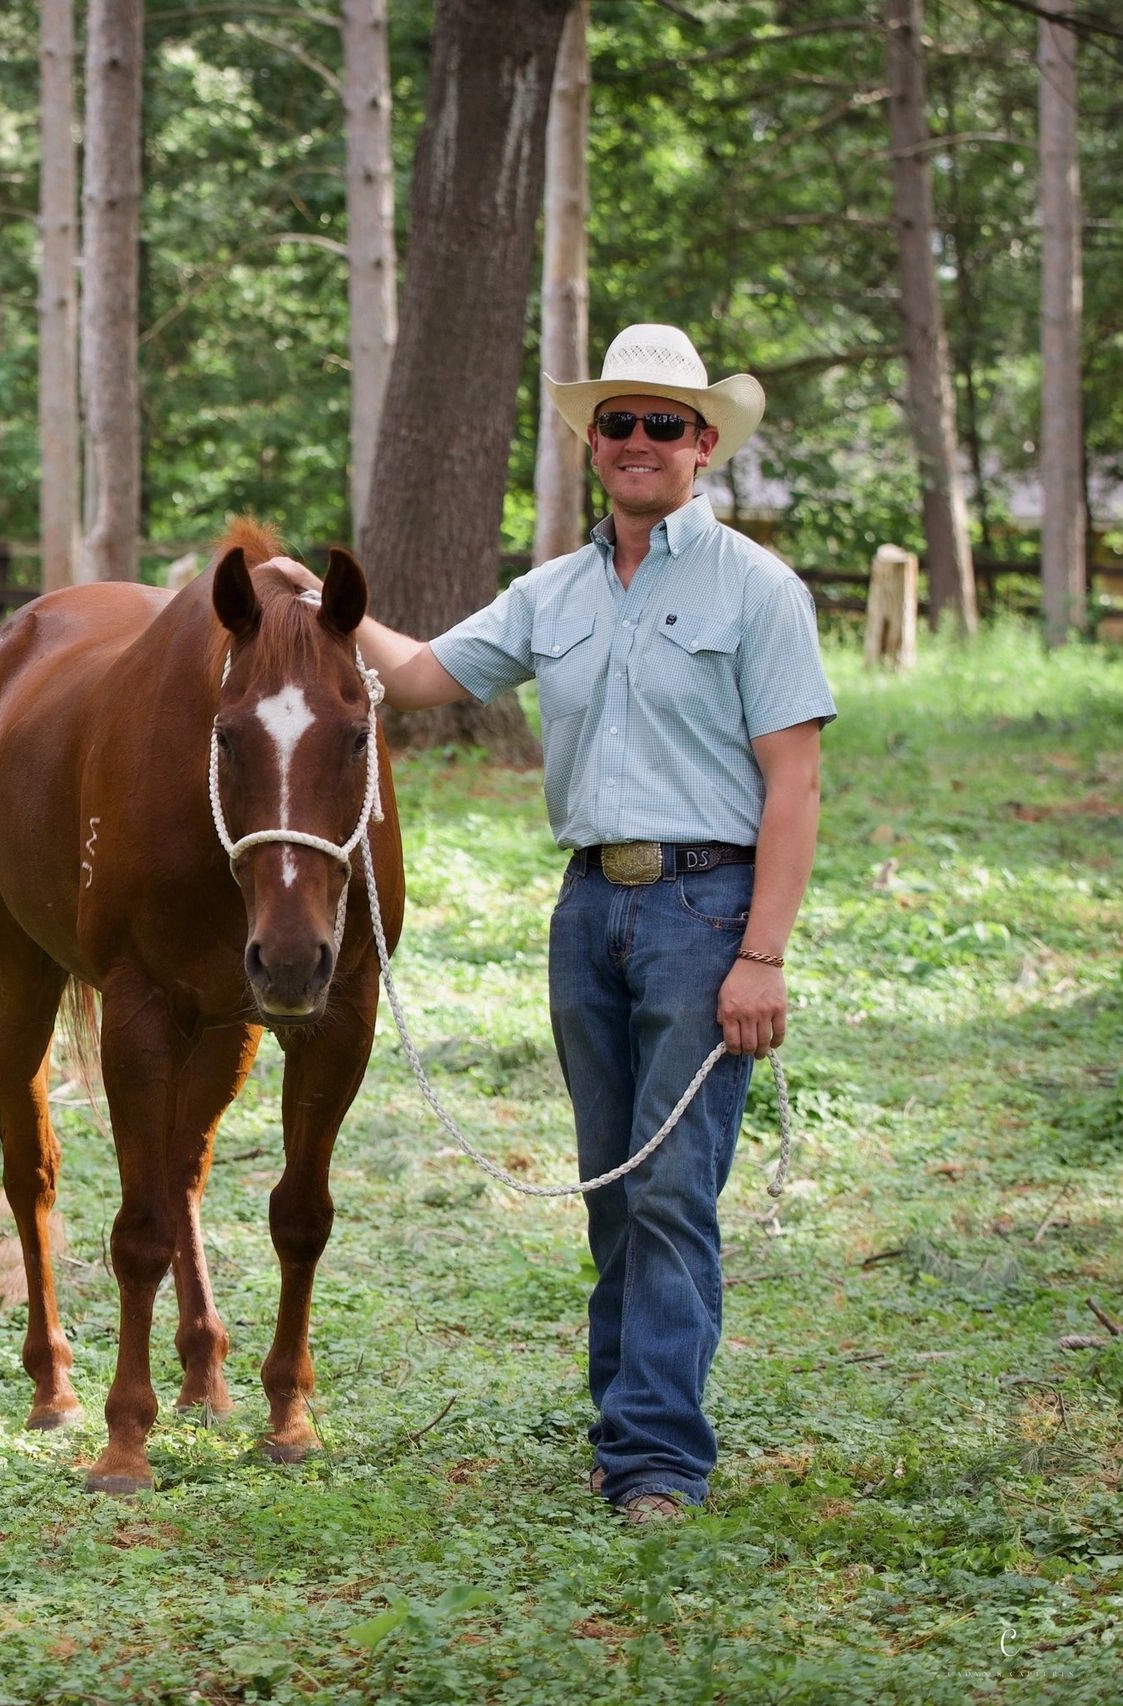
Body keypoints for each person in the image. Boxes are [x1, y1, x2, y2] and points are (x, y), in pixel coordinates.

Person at [270, 323, 834, 1523]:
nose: (638, 440)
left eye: (663, 423)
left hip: (705, 907)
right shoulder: (556, 591)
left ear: (702, 445)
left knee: (672, 1187)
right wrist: (317, 604)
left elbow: (794, 782)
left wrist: (761, 954)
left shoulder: (756, 589)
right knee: (612, 1186)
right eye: (617, 421)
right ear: (593, 442)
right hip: (587, 911)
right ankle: (624, 1425)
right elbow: (423, 674)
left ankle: (656, 1461)